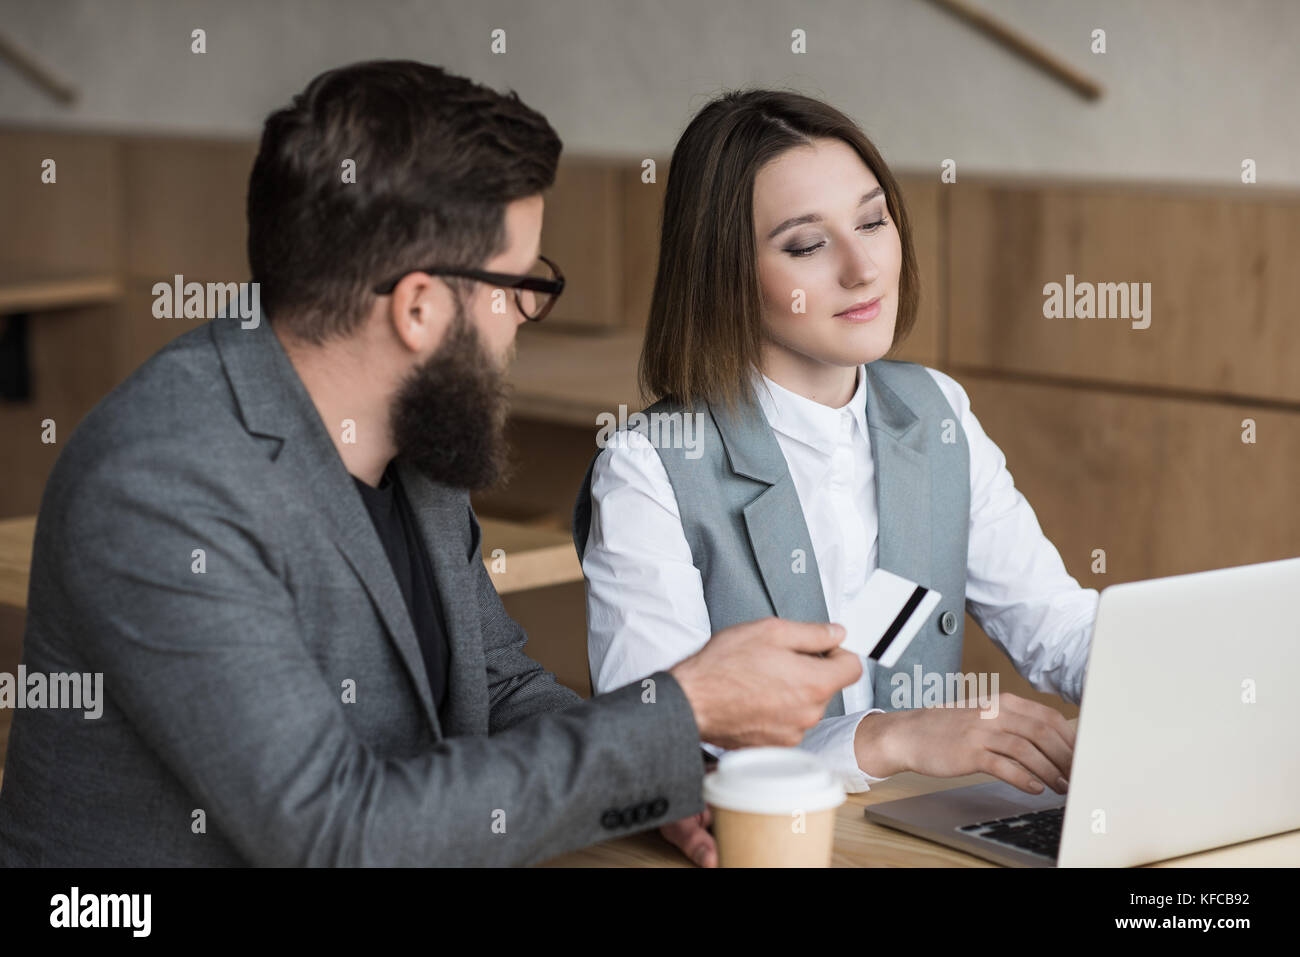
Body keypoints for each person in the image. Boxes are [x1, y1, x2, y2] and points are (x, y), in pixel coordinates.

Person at [0, 63, 862, 866]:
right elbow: (334, 833)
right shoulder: (165, 483)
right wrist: (681, 709)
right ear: (419, 307)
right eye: (523, 283)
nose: (529, 313)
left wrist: (666, 779)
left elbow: (495, 686)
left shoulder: (414, 429)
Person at [575, 90, 1097, 867]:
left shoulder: (936, 412)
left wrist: (1192, 682)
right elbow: (658, 755)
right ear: (724, 271)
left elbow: (1056, 625)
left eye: (872, 220)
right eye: (805, 245)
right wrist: (887, 737)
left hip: (914, 843)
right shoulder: (649, 467)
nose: (863, 269)